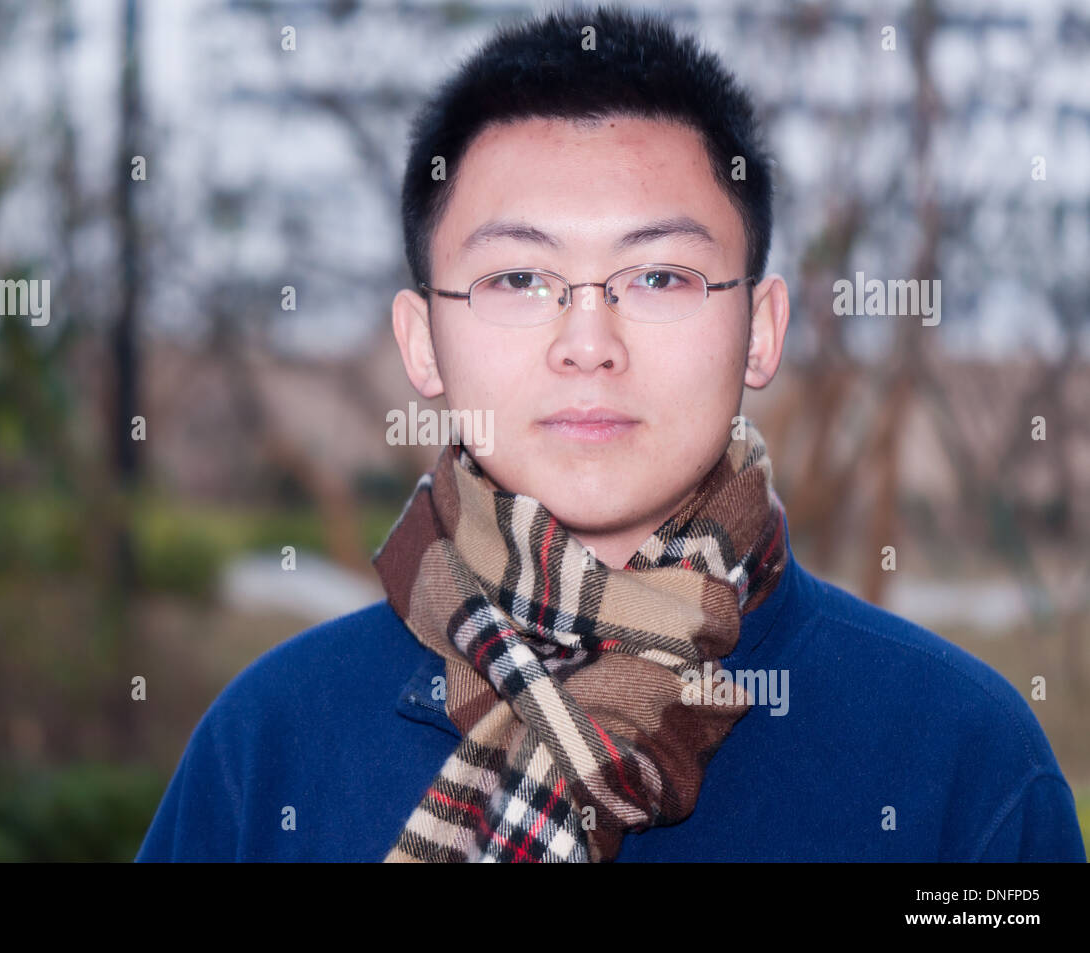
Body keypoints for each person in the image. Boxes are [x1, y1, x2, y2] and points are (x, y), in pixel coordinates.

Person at [136, 3, 1084, 863]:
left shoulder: (959, 764)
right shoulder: (270, 748)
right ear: (422, 344)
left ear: (760, 330)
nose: (588, 343)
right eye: (518, 280)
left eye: (659, 278)